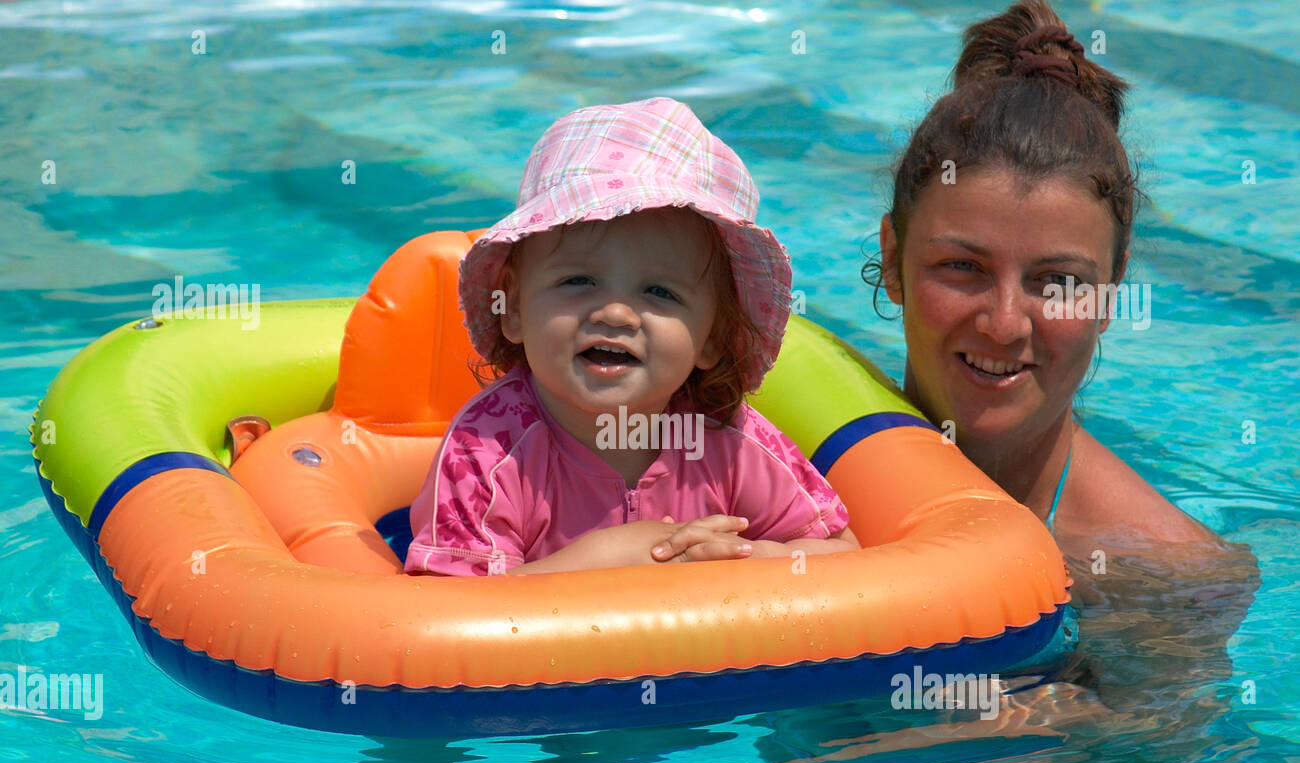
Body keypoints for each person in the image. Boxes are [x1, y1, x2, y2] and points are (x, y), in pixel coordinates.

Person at [406, 97, 859, 577]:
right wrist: (605, 560)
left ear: (711, 338)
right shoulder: (485, 451)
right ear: (513, 308)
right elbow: (445, 612)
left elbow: (843, 554)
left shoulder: (725, 437)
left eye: (660, 292)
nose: (617, 313)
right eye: (577, 281)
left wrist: (742, 556)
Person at [866, 0, 1218, 559]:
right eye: (963, 267)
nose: (1004, 324)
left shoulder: (1166, 580)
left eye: (1057, 281)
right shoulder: (760, 455)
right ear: (892, 257)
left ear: (1111, 291)